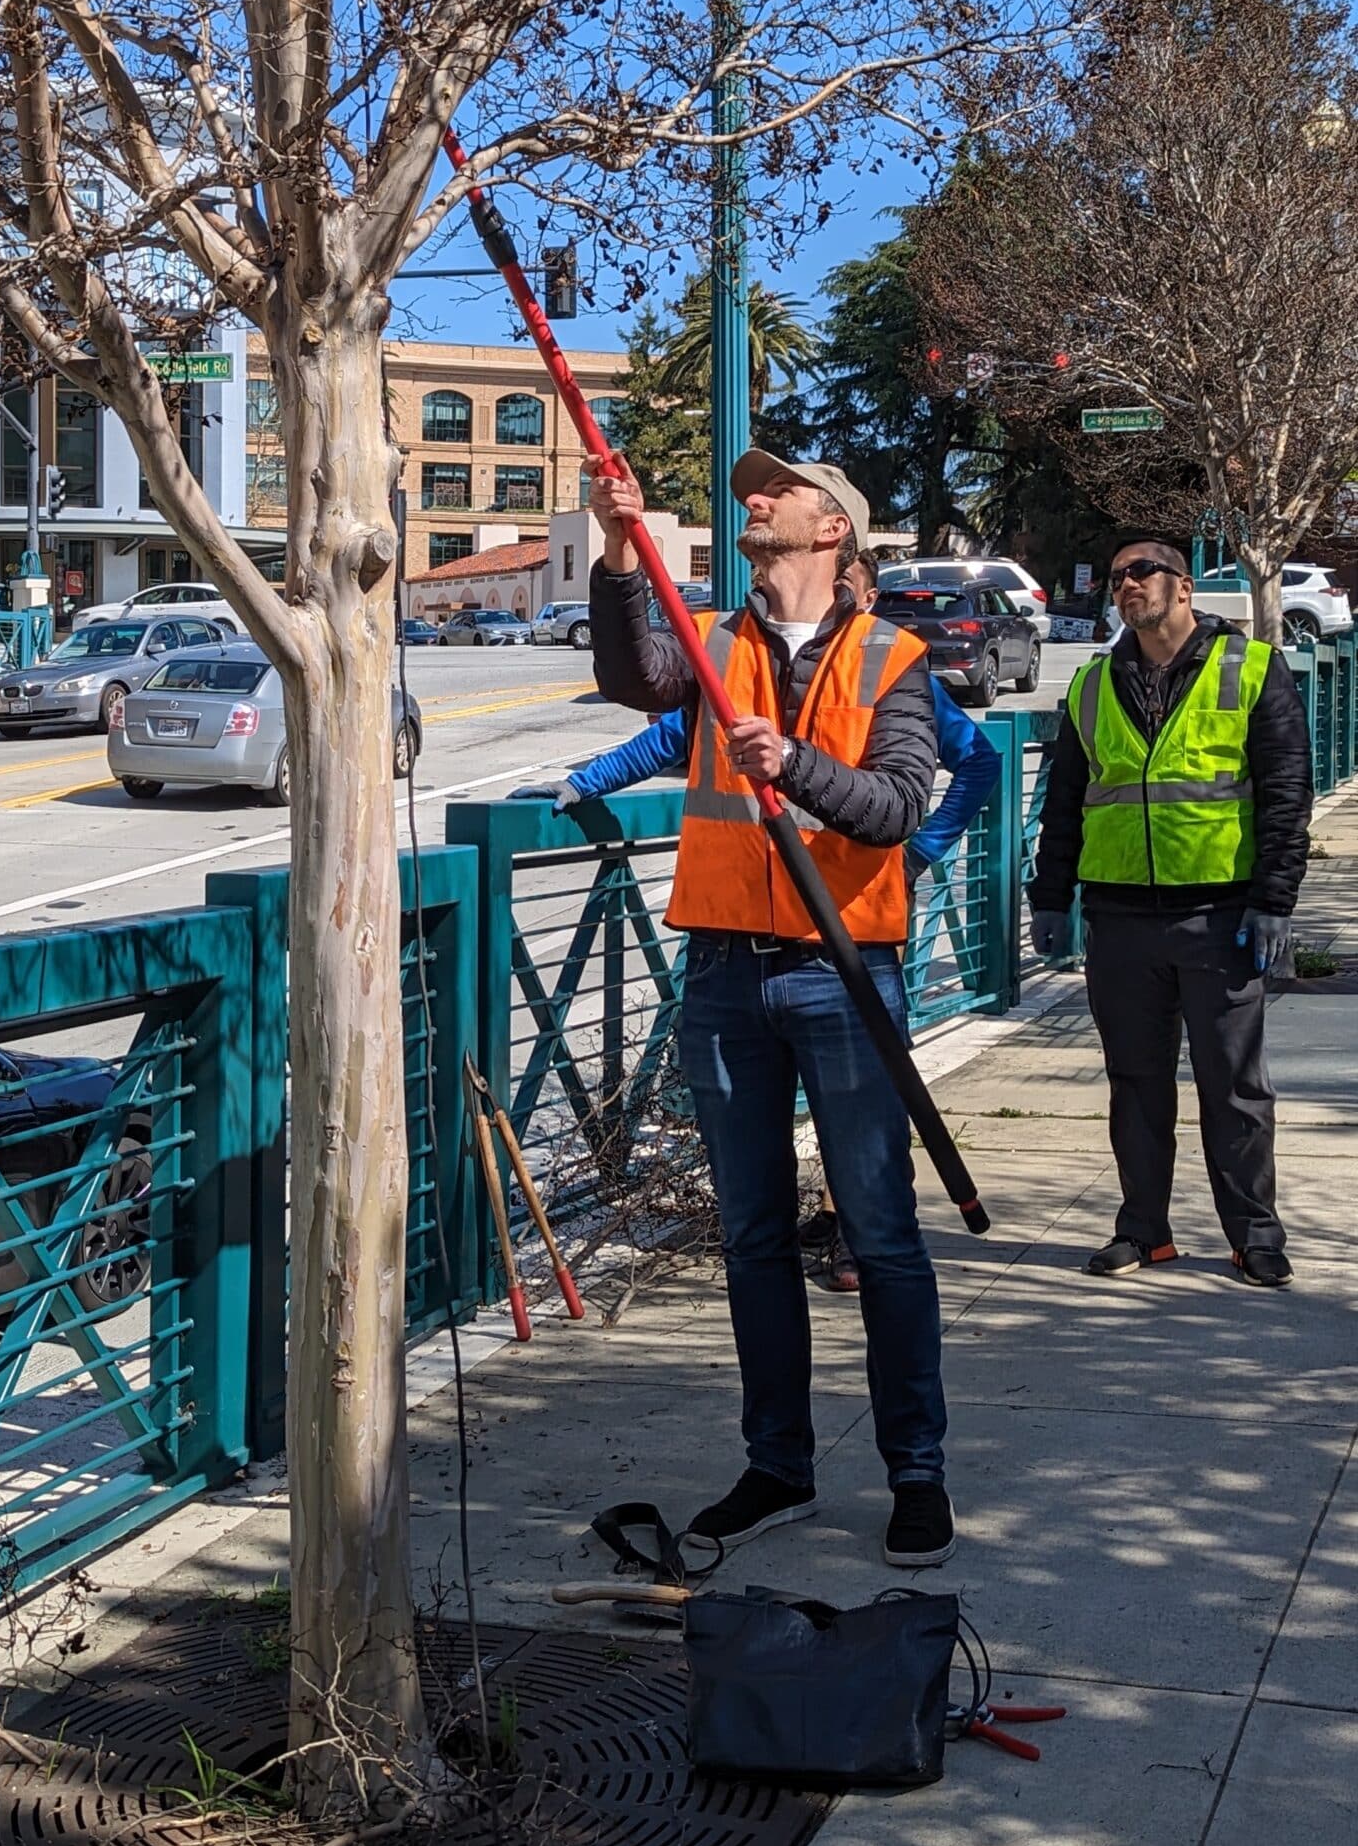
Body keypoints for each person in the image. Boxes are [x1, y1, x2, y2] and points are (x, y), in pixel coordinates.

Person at [587, 450, 953, 1566]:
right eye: (754, 488)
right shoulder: (712, 640)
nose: (755, 497)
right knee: (752, 1237)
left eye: (780, 489)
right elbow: (633, 676)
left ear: (833, 527)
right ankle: (777, 1466)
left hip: (843, 972)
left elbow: (895, 806)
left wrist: (790, 762)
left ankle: (916, 1472)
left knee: (880, 1232)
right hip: (722, 972)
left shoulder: (893, 656)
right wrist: (619, 548)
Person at [526, 547, 1003, 1298]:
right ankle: (831, 1239)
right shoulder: (729, 649)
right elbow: (669, 734)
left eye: (857, 592)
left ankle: (850, 1231)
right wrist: (584, 782)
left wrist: (921, 854)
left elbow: (966, 767)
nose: (847, 603)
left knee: (867, 1161)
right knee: (757, 1219)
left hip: (846, 941)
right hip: (734, 952)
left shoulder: (889, 663)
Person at [1028, 540, 1312, 1286]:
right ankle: (1143, 1232)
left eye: (1141, 572)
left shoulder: (1251, 668)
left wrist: (1274, 901)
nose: (1126, 584)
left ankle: (1255, 1235)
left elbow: (1287, 794)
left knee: (1234, 1086)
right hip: (1119, 918)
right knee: (1135, 1084)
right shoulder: (1092, 684)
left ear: (1183, 587)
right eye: (1117, 576)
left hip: (1222, 915)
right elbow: (1065, 802)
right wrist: (1050, 897)